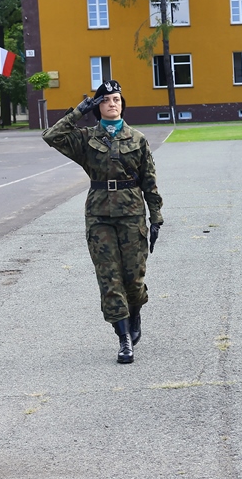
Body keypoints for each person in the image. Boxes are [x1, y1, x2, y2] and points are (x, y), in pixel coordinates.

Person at [42, 80, 163, 365]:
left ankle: (134, 314)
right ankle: (123, 340)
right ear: (98, 106)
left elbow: (150, 181)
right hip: (99, 217)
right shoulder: (85, 138)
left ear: (123, 104)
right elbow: (52, 136)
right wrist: (79, 111)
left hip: (132, 215)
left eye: (117, 99)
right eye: (106, 99)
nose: (112, 103)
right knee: (109, 279)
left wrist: (156, 217)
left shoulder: (137, 139)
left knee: (133, 279)